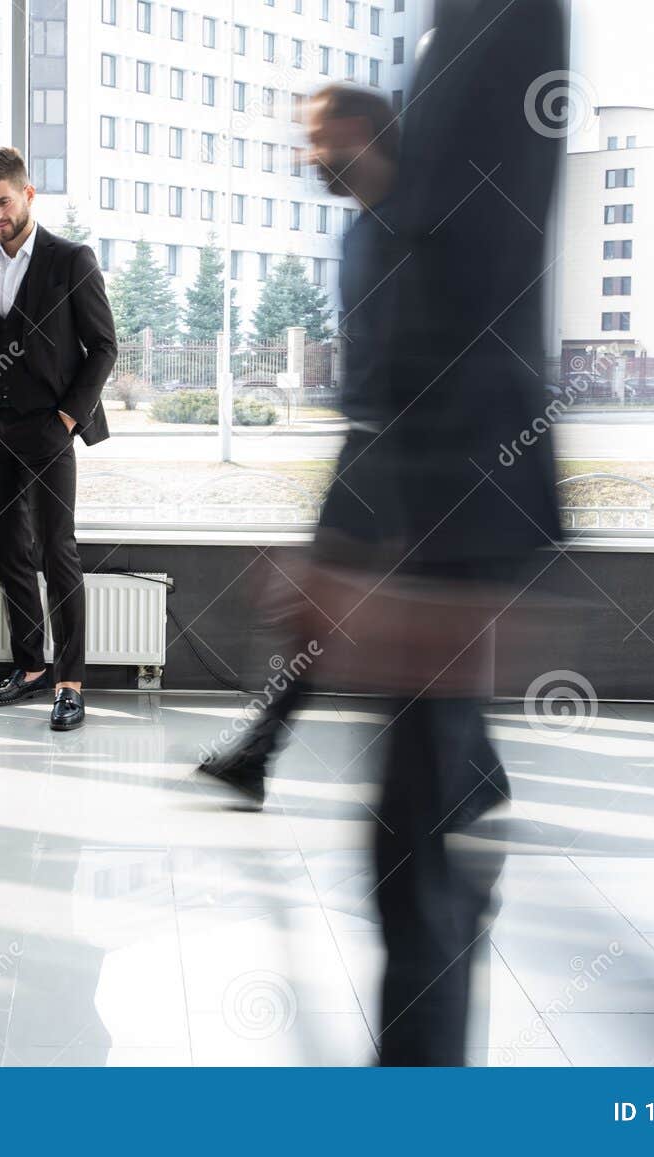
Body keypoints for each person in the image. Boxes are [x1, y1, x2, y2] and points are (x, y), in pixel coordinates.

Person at [294, 0, 565, 1065]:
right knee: (412, 865)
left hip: (448, 518)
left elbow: (480, 280)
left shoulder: (498, 28)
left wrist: (416, 541)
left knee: (414, 871)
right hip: (432, 509)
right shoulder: (454, 38)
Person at [196, 84, 401, 807]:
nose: (307, 155)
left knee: (386, 618)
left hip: (416, 461)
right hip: (370, 453)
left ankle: (464, 771)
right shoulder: (363, 232)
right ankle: (260, 748)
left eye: (315, 137)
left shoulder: (418, 226)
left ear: (354, 129)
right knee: (320, 608)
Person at [0, 147, 117, 731]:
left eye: (2, 200)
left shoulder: (72, 258)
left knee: (58, 551)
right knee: (9, 556)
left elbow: (103, 347)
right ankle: (29, 668)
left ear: (27, 195)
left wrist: (68, 421)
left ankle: (70, 684)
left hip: (50, 428)